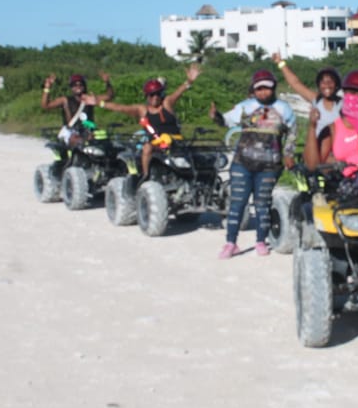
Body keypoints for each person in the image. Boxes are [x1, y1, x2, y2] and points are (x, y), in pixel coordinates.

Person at [210, 69, 297, 259]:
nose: (263, 92)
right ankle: (231, 243)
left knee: (262, 204)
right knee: (237, 203)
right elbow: (226, 120)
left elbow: (292, 133)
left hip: (270, 166)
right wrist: (216, 116)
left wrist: (288, 154)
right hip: (242, 163)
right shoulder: (244, 107)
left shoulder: (284, 108)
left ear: (273, 88)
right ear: (254, 90)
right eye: (259, 89)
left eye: (267, 88)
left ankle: (260, 241)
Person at [83, 64, 200, 180]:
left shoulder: (167, 103)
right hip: (156, 144)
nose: (155, 97)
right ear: (147, 96)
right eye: (152, 95)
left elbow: (177, 93)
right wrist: (99, 103)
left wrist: (189, 82)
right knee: (147, 147)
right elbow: (120, 107)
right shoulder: (142, 110)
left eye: (158, 94)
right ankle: (145, 175)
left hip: (175, 141)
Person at [271, 52, 342, 137]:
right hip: (318, 147)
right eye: (323, 82)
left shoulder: (343, 104)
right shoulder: (316, 99)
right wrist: (280, 62)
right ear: (319, 85)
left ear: (337, 84)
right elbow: (295, 83)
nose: (327, 85)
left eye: (330, 82)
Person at [41, 71, 114, 146]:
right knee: (78, 140)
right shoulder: (65, 100)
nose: (78, 86)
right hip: (70, 132)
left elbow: (109, 96)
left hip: (88, 131)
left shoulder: (90, 98)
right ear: (71, 87)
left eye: (80, 84)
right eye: (74, 85)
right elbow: (46, 106)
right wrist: (47, 88)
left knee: (105, 142)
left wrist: (107, 83)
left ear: (84, 86)